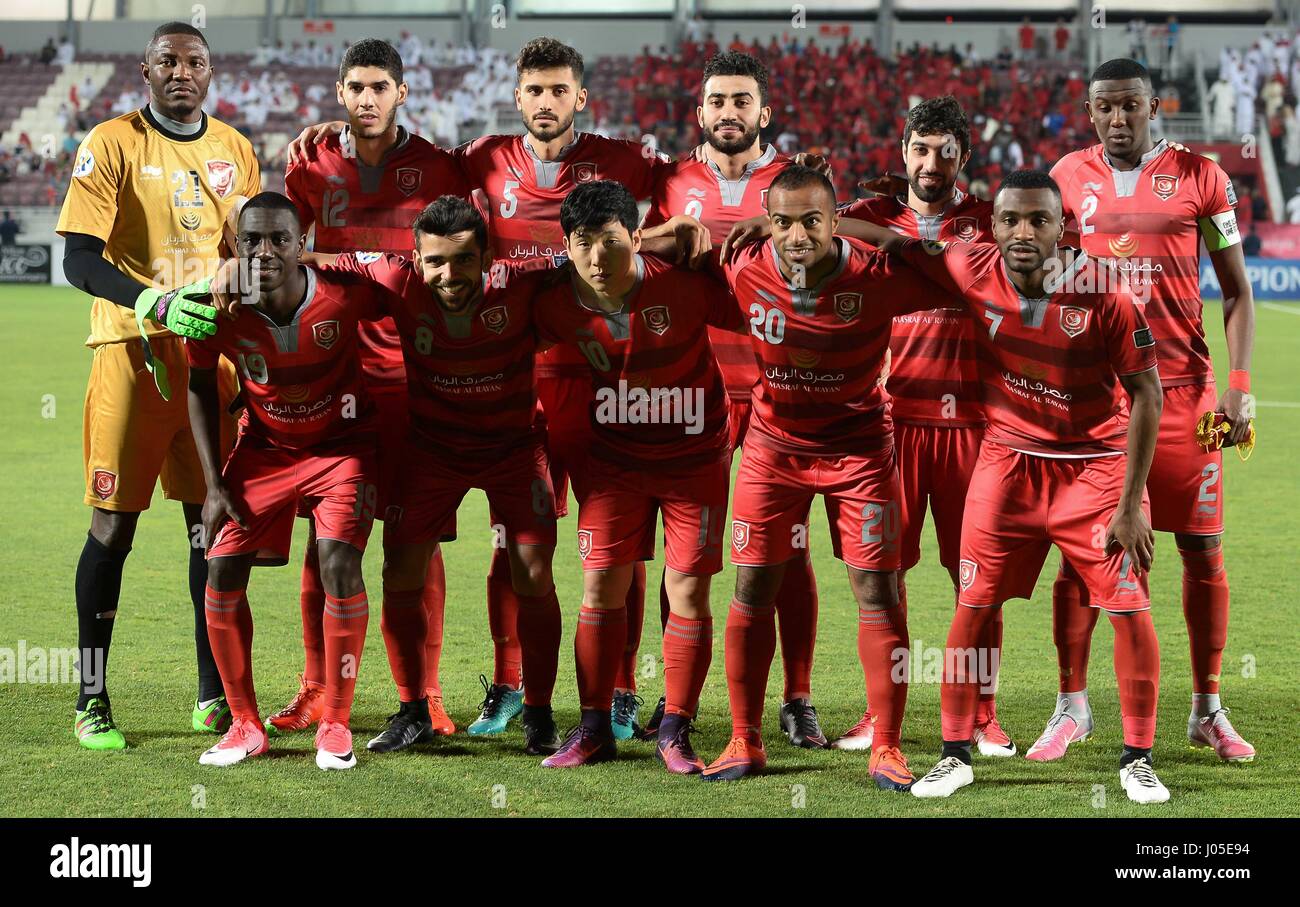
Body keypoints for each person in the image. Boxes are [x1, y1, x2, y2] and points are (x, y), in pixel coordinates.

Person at [881, 170, 1169, 804]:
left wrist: (1130, 505)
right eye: (1010, 219)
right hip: (1007, 464)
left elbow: (1148, 397)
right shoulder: (969, 262)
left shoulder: (1106, 293)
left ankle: (1137, 758)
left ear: (1062, 228)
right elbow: (895, 241)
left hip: (1096, 468)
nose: (1022, 232)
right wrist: (781, 222)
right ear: (993, 224)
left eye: (1039, 220)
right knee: (973, 604)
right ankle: (955, 753)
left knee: (1128, 608)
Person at [1043, 58, 1256, 764]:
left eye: (1132, 105)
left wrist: (1241, 382)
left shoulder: (1202, 176)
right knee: (1083, 555)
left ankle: (1207, 707)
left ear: (1153, 105)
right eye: (1106, 107)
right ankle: (1072, 704)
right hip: (1098, 402)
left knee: (1201, 547)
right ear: (1089, 108)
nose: (1119, 118)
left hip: (1188, 396)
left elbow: (1236, 291)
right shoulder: (1066, 178)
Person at [56, 21, 260, 751]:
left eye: (195, 61)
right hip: (132, 356)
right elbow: (78, 259)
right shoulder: (109, 142)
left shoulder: (235, 148)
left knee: (211, 524)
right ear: (144, 68)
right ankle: (91, 697)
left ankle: (214, 695)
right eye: (167, 60)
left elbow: (254, 250)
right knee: (112, 528)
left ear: (212, 71)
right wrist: (152, 299)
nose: (181, 71)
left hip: (212, 363)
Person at [707, 165, 941, 791]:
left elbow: (943, 258)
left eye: (813, 221)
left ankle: (887, 748)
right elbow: (674, 242)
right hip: (771, 450)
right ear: (767, 224)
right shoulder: (741, 263)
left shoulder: (878, 278)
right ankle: (743, 739)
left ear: (836, 222)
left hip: (861, 453)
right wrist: (755, 223)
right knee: (752, 586)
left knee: (878, 592)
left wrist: (883, 236)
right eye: (783, 222)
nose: (797, 236)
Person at [306, 197, 565, 756]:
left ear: (488, 257)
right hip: (432, 451)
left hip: (514, 449)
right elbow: (316, 258)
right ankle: (412, 711)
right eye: (436, 262)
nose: (450, 275)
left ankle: (539, 712)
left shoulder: (523, 278)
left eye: (464, 261)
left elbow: (602, 252)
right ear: (415, 258)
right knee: (399, 574)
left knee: (533, 574)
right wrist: (244, 266)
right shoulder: (392, 273)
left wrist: (675, 235)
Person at [274, 38, 467, 741]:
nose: (366, 98)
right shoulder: (309, 161)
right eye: (355, 86)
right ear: (338, 92)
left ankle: (426, 692)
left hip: (414, 377)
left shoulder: (440, 168)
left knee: (413, 537)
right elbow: (277, 251)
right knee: (324, 536)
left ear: (402, 92)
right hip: (328, 375)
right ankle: (318, 689)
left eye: (379, 86)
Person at [638, 51, 826, 750]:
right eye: (717, 101)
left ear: (764, 113)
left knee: (788, 546)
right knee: (681, 551)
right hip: (691, 385)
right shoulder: (668, 180)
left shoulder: (794, 182)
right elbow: (633, 247)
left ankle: (797, 695)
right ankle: (674, 690)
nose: (728, 113)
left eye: (742, 102)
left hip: (785, 384)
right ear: (699, 113)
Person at [532, 181, 739, 774]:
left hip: (693, 458)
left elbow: (769, 310)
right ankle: (594, 727)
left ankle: (675, 728)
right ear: (566, 245)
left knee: (688, 590)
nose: (599, 258)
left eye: (612, 242)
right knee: (600, 589)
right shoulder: (548, 298)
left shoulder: (687, 281)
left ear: (636, 238)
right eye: (584, 243)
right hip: (613, 461)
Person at [829, 96, 1014, 756]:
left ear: (963, 157)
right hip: (890, 424)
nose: (930, 162)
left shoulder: (991, 221)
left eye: (944, 151)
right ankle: (884, 717)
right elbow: (808, 227)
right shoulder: (865, 218)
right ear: (902, 151)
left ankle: (983, 714)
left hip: (973, 424)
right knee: (880, 576)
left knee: (976, 578)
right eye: (920, 148)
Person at [189, 192, 381, 771]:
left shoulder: (344, 294)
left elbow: (406, 284)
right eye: (252, 241)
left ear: (303, 244)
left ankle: (336, 725)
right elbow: (199, 386)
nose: (265, 251)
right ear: (236, 247)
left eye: (279, 239)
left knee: (338, 563)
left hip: (342, 449)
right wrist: (213, 486)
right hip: (263, 450)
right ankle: (245, 725)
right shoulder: (217, 306)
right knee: (219, 567)